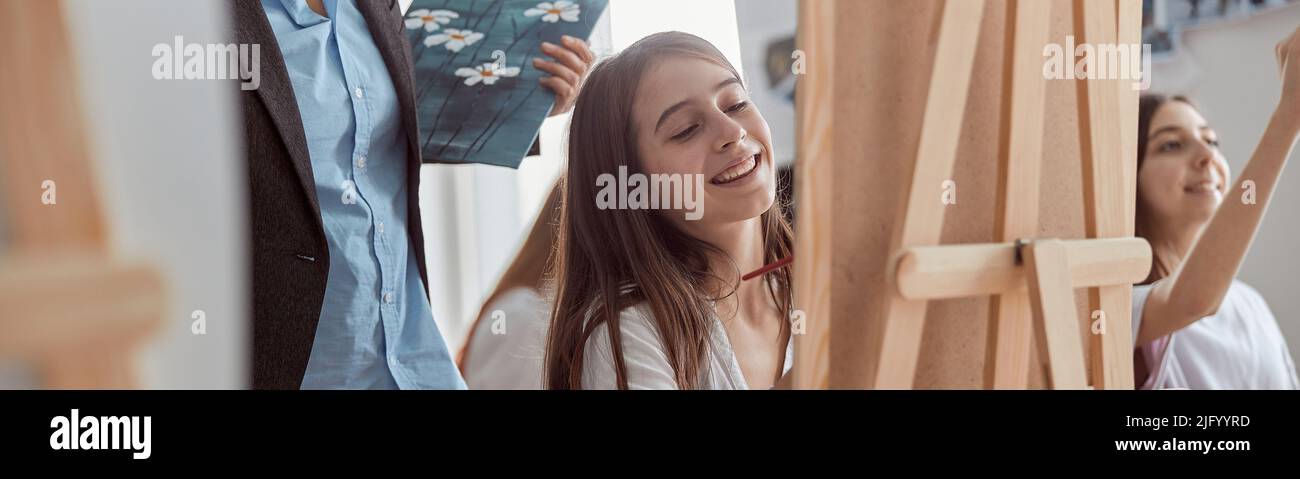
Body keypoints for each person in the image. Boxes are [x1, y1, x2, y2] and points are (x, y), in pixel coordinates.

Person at [234, 0, 592, 388]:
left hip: (414, 359)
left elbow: (403, 129)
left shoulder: (371, 8)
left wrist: (527, 95)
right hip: (307, 368)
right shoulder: (196, 22)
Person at [544, 32, 795, 390]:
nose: (733, 131)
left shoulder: (816, 293)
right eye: (686, 130)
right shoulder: (631, 332)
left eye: (736, 104)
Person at [1130, 27, 1300, 389]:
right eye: (1172, 145)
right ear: (1129, 179)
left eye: (1211, 140)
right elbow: (1192, 300)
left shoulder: (1250, 305)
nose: (1208, 156)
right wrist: (1288, 116)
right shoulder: (1122, 307)